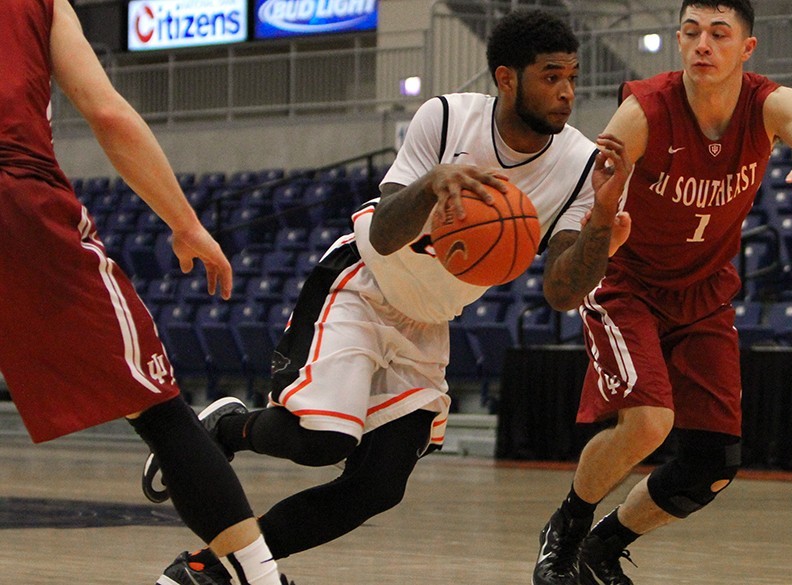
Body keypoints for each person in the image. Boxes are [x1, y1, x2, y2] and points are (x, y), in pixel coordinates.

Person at [141, 8, 632, 581]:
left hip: (428, 322)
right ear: (506, 78)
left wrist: (601, 221)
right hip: (361, 285)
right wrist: (432, 185)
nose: (567, 92)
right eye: (551, 76)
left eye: (572, 76)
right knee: (325, 440)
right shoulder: (446, 117)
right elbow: (382, 232)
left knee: (378, 486)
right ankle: (226, 430)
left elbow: (561, 292)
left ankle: (214, 568)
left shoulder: (577, 165)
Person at [532, 2, 792, 584]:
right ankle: (567, 528)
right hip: (628, 283)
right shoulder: (644, 110)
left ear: (746, 49)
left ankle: (603, 548)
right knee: (651, 422)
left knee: (712, 466)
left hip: (704, 291)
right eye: (691, 32)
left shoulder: (769, 104)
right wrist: (599, 231)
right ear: (679, 41)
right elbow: (584, 199)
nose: (703, 44)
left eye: (719, 34)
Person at [0, 1, 293, 584]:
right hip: (16, 203)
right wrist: (185, 222)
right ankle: (261, 580)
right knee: (159, 411)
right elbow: (106, 113)